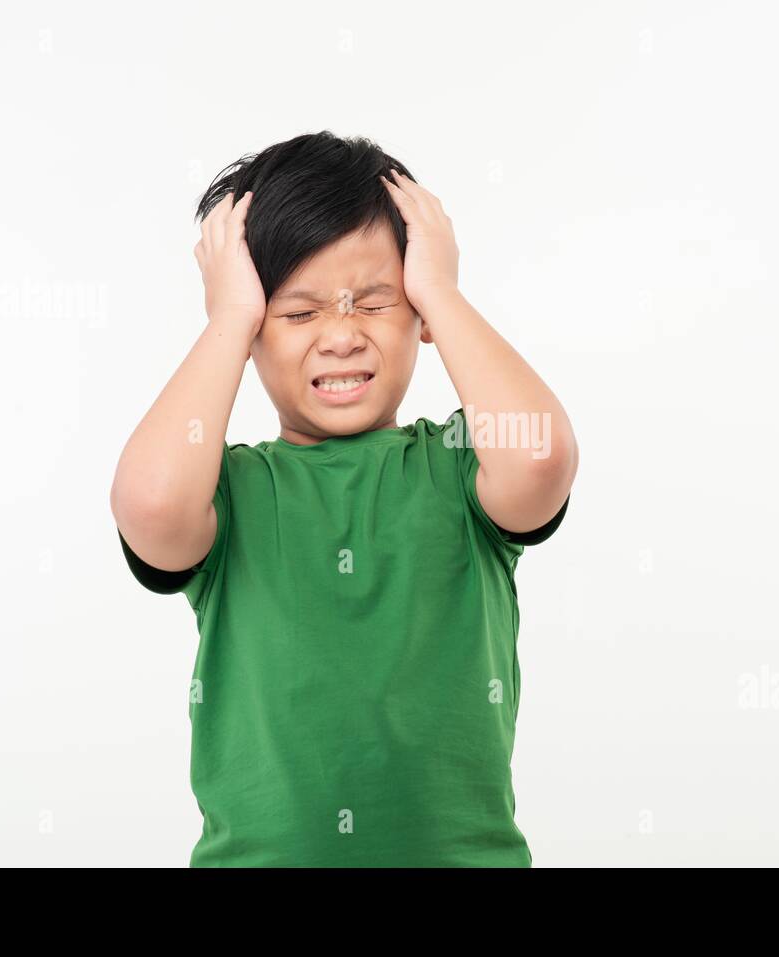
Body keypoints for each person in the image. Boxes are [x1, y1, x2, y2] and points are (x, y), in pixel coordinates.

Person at [109, 130, 577, 866]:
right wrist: (229, 318)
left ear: (418, 313)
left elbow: (540, 458)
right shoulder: (232, 491)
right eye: (298, 314)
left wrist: (443, 294)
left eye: (375, 302)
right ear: (254, 334)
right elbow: (153, 506)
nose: (341, 337)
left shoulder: (459, 463)